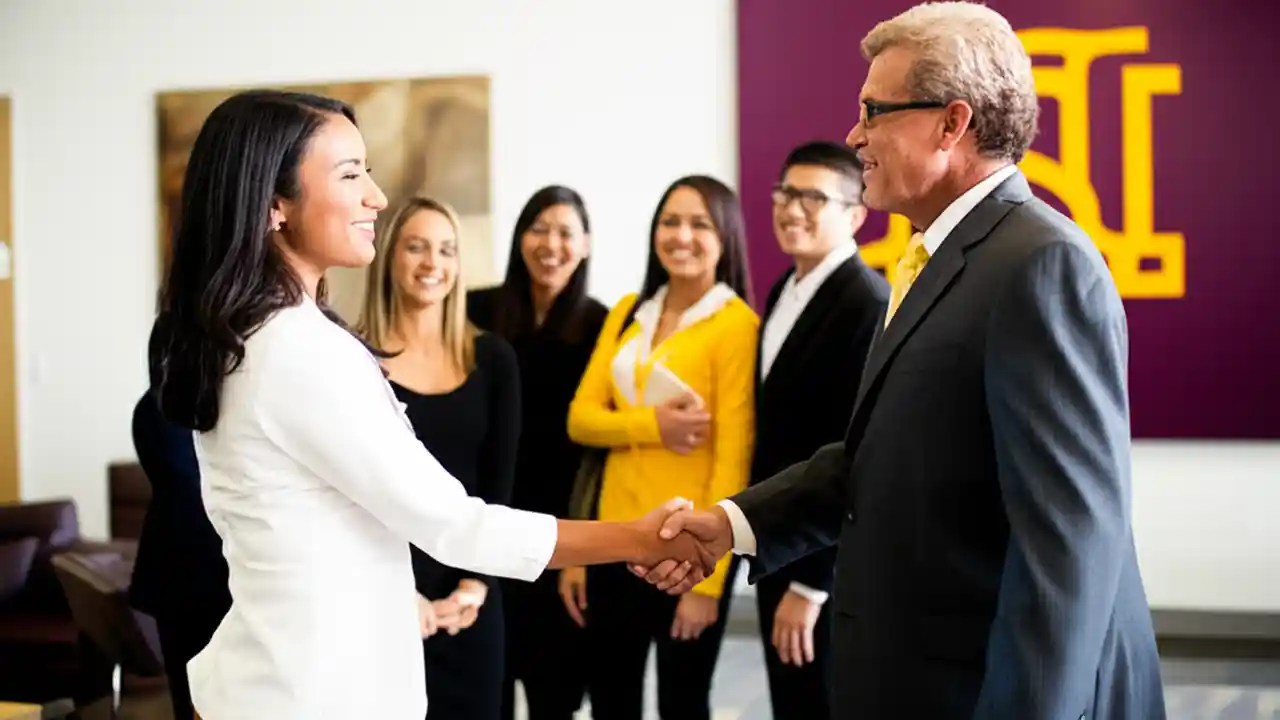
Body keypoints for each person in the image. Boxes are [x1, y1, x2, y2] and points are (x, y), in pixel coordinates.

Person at [641, 3, 1165, 718]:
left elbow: (1069, 550)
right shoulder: (934, 257)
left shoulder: (1042, 267)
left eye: (874, 111)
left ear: (952, 123)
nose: (854, 135)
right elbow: (875, 458)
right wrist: (731, 525)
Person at [150, 89, 713, 719]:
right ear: (275, 204)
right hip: (315, 692)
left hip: (265, 677)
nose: (376, 196)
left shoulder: (255, 335)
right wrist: (635, 539)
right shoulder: (300, 351)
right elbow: (454, 523)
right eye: (349, 173)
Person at [564, 175, 757, 720]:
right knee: (611, 698)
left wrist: (712, 584)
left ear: (724, 238)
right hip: (613, 542)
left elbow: (733, 459)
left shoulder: (736, 324)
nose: (682, 235)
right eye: (670, 221)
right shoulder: (629, 311)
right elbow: (581, 420)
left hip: (686, 553)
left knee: (683, 703)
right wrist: (654, 426)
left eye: (699, 223)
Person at [359, 196, 520, 719]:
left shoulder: (492, 359)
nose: (433, 264)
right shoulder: (353, 357)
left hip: (470, 601)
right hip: (380, 599)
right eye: (417, 247)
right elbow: (349, 499)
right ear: (390, 257)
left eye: (447, 250)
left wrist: (475, 587)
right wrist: (397, 593)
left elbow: (498, 492)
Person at [752, 140, 888, 718]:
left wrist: (812, 586)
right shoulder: (787, 287)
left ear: (856, 214)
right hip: (778, 540)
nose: (791, 208)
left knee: (822, 704)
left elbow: (855, 455)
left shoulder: (867, 302)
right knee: (793, 703)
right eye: (786, 192)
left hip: (824, 564)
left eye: (813, 197)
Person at [467, 186, 607, 720]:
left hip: (560, 530)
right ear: (519, 236)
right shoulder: (475, 311)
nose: (551, 244)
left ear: (587, 244)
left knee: (557, 688)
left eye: (566, 232)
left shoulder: (603, 324)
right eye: (539, 229)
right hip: (485, 518)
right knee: (487, 684)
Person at [128, 317, 231, 720]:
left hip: (196, 576)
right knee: (195, 701)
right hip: (192, 579)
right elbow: (191, 492)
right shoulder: (162, 411)